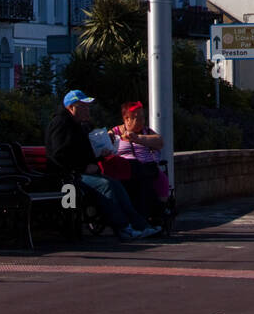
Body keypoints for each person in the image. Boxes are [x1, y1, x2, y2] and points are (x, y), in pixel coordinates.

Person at [45, 90, 161, 240]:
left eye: (88, 107)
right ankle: (123, 228)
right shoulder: (61, 124)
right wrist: (83, 167)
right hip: (67, 175)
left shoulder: (80, 125)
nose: (88, 110)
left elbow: (81, 152)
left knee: (116, 184)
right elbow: (59, 155)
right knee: (105, 185)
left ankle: (140, 225)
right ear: (71, 108)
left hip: (79, 172)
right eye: (84, 107)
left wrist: (99, 155)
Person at [109, 100, 166, 222]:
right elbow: (105, 143)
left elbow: (160, 141)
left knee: (157, 178)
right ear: (126, 119)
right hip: (125, 169)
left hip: (147, 166)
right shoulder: (115, 132)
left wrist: (138, 138)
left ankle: (158, 210)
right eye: (136, 118)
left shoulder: (146, 132)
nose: (141, 121)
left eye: (142, 118)